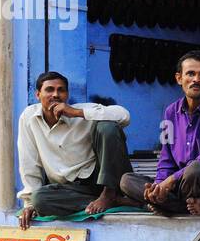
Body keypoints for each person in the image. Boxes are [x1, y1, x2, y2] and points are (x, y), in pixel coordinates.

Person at [120, 50, 200, 216]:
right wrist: (158, 186)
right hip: (181, 188)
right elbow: (166, 159)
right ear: (179, 78)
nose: (196, 80)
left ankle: (185, 206)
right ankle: (181, 205)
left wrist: (171, 181)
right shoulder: (171, 112)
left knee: (196, 169)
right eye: (190, 74)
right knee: (127, 181)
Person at [17, 71, 132, 229]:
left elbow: (124, 115)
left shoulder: (81, 111)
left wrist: (77, 113)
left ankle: (109, 194)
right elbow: (28, 161)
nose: (56, 94)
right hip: (69, 190)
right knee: (40, 200)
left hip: (101, 180)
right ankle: (115, 200)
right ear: (38, 94)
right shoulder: (28, 118)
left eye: (61, 90)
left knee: (108, 127)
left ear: (67, 94)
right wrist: (29, 204)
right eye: (49, 90)